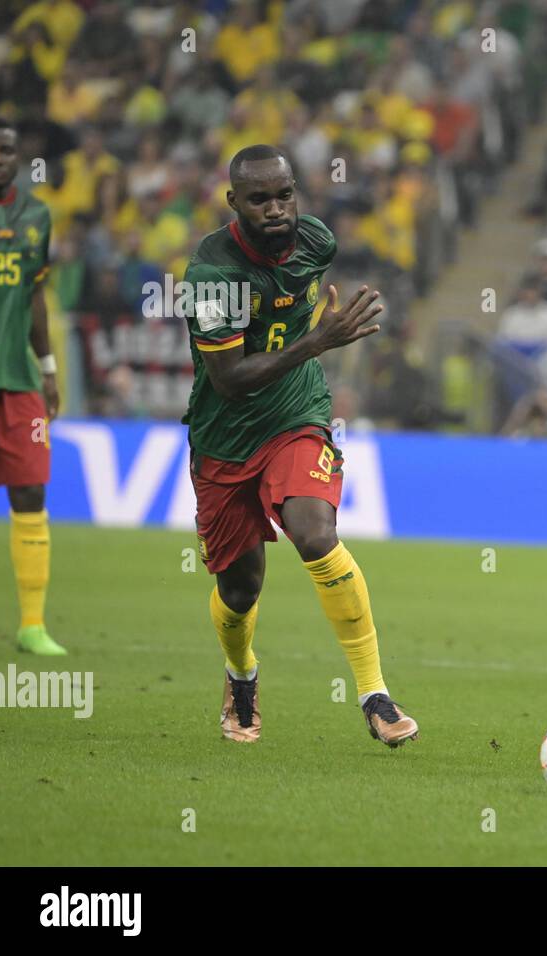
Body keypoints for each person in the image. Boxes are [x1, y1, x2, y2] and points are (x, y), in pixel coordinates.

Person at [183, 144, 417, 747]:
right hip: (227, 434)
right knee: (241, 588)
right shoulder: (214, 276)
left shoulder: (316, 242)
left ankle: (375, 694)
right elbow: (229, 382)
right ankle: (241, 674)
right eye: (258, 199)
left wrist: (309, 349)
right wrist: (317, 341)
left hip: (298, 414)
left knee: (315, 533)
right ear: (234, 203)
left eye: (284, 195)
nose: (275, 209)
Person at [0, 117, 65, 655]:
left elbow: (36, 294)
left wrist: (49, 366)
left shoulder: (37, 215)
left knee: (31, 490)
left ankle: (32, 624)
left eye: (6, 148)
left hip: (17, 375)